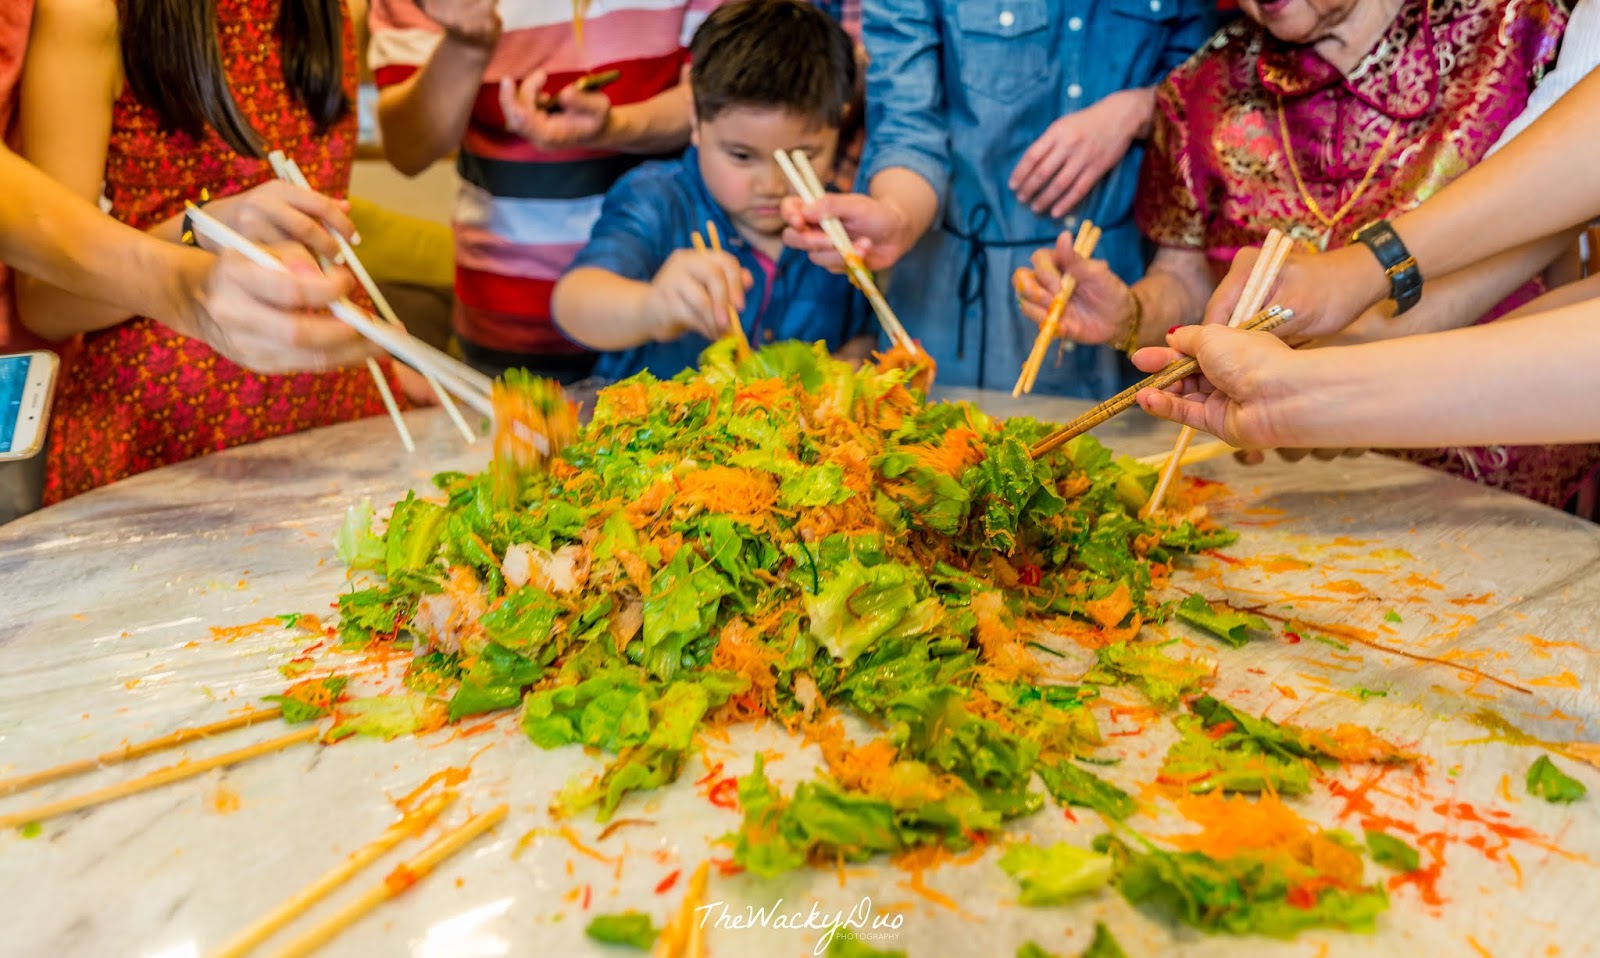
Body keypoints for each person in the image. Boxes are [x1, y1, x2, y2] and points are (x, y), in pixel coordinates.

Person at [1017, 0, 1594, 509]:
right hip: (1285, 489)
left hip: (1507, 472)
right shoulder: (1203, 86)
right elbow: (1182, 276)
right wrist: (1134, 319)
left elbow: (1556, 217)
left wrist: (1341, 333)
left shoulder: (1520, 29)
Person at [18, 0, 409, 506]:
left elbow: (324, 246)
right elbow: (45, 300)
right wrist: (198, 229)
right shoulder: (90, 11)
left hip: (339, 415)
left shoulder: (343, 8)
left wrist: (380, 355)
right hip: (162, 446)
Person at [781, 0, 1216, 398]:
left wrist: (1141, 109)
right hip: (950, 293)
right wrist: (895, 216)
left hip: (1118, 284)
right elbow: (906, 127)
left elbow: (1207, 82)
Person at [369, 0, 725, 382]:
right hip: (508, 313)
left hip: (673, 310)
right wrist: (466, 45)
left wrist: (614, 127)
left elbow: (718, 100)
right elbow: (408, 151)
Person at [551, 0, 873, 381]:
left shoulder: (839, 226)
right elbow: (572, 302)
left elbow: (862, 334)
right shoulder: (659, 198)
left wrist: (851, 368)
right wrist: (650, 307)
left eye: (802, 158)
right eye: (740, 156)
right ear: (696, 122)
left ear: (842, 120)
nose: (771, 186)